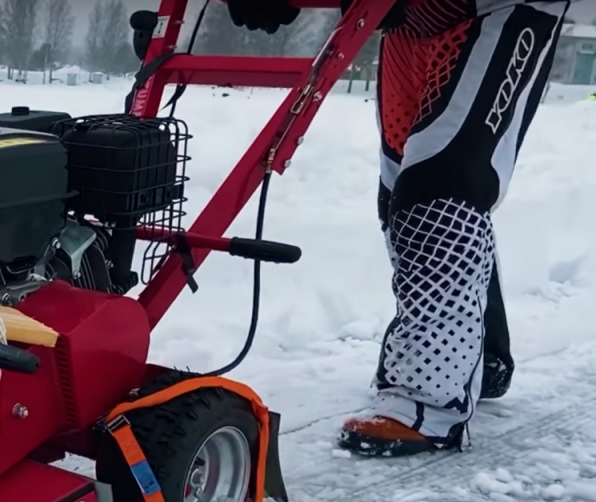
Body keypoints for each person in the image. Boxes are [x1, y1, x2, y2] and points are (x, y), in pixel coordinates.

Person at [226, 0, 570, 457]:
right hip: (410, 22)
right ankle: (479, 358)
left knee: (438, 195)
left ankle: (431, 401)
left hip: (499, 8)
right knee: (400, 199)